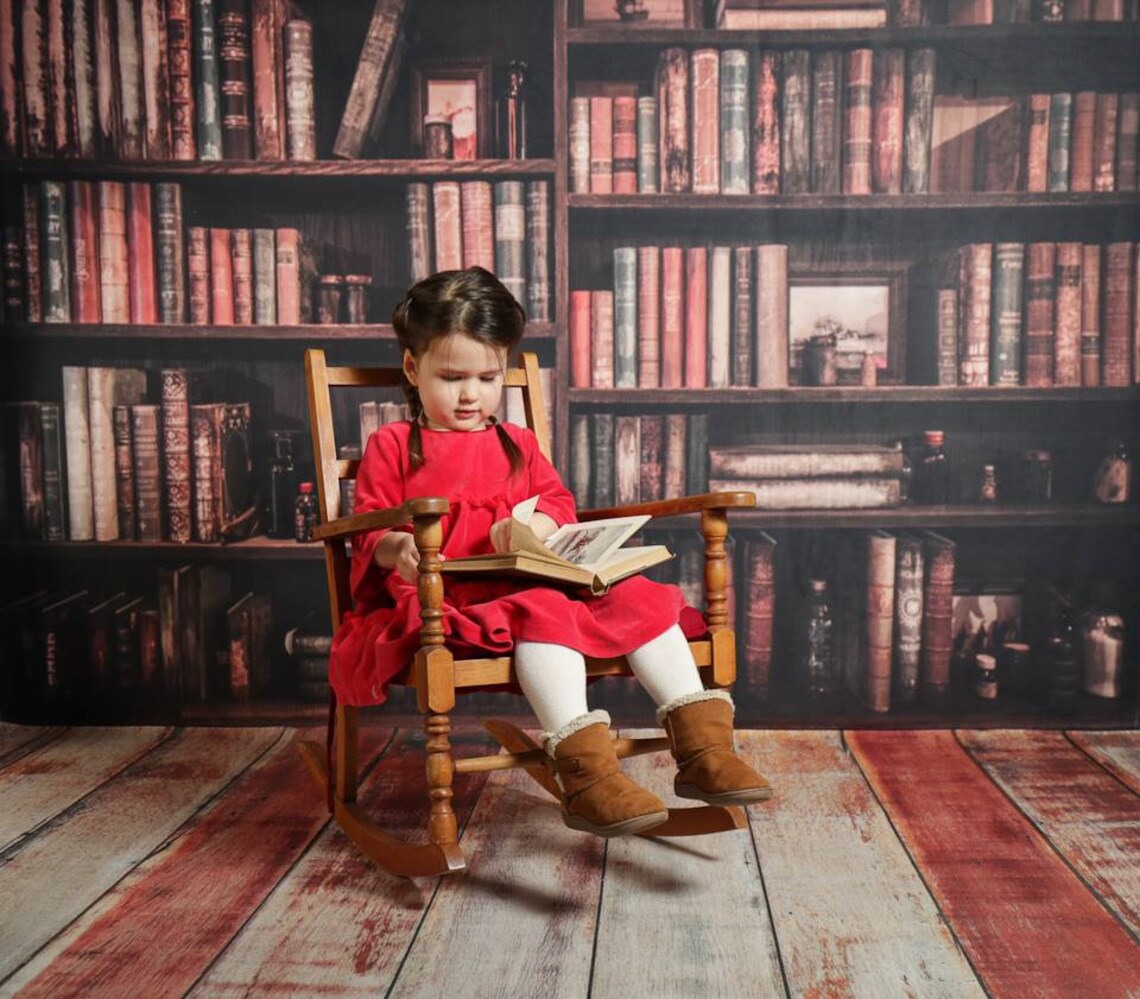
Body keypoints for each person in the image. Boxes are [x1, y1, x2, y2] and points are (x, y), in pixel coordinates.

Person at [330, 267, 772, 838]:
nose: (470, 394)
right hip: (452, 599)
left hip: (534, 581)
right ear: (413, 370)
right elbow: (370, 530)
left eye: (488, 377)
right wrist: (400, 547)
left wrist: (537, 522)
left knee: (641, 598)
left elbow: (558, 501)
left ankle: (704, 751)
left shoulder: (517, 442)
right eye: (452, 377)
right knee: (543, 611)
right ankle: (589, 778)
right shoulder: (392, 445)